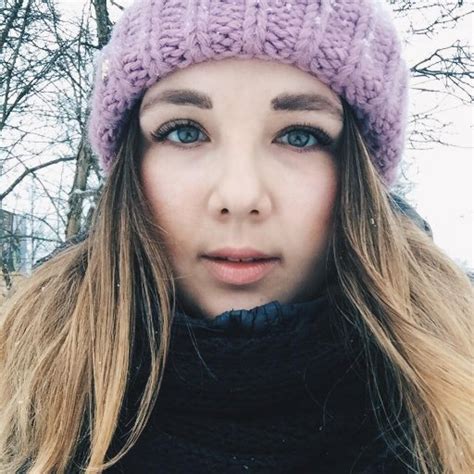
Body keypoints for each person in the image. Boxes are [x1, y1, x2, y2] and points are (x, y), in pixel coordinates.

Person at [0, 0, 472, 473]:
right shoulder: (17, 411)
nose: (240, 196)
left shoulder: (458, 414)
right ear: (132, 165)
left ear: (360, 177)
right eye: (185, 132)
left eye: (300, 136)